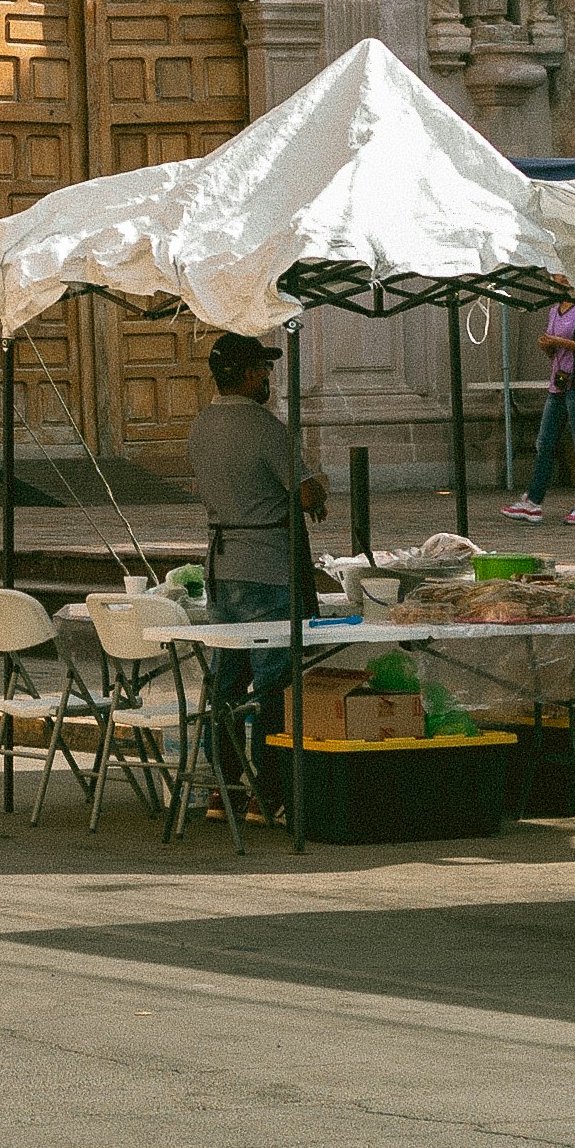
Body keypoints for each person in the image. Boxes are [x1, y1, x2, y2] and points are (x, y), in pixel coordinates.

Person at [184, 330, 325, 807]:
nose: (269, 375)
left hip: (222, 566)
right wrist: (317, 487)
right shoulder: (265, 427)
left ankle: (222, 787)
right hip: (268, 566)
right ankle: (272, 786)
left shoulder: (201, 425)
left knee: (224, 682)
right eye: (263, 368)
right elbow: (304, 493)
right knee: (273, 683)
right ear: (247, 374)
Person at [509, 303, 575, 521]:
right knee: (545, 442)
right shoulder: (554, 310)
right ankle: (533, 501)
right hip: (558, 383)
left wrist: (562, 342)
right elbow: (554, 351)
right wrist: (547, 346)